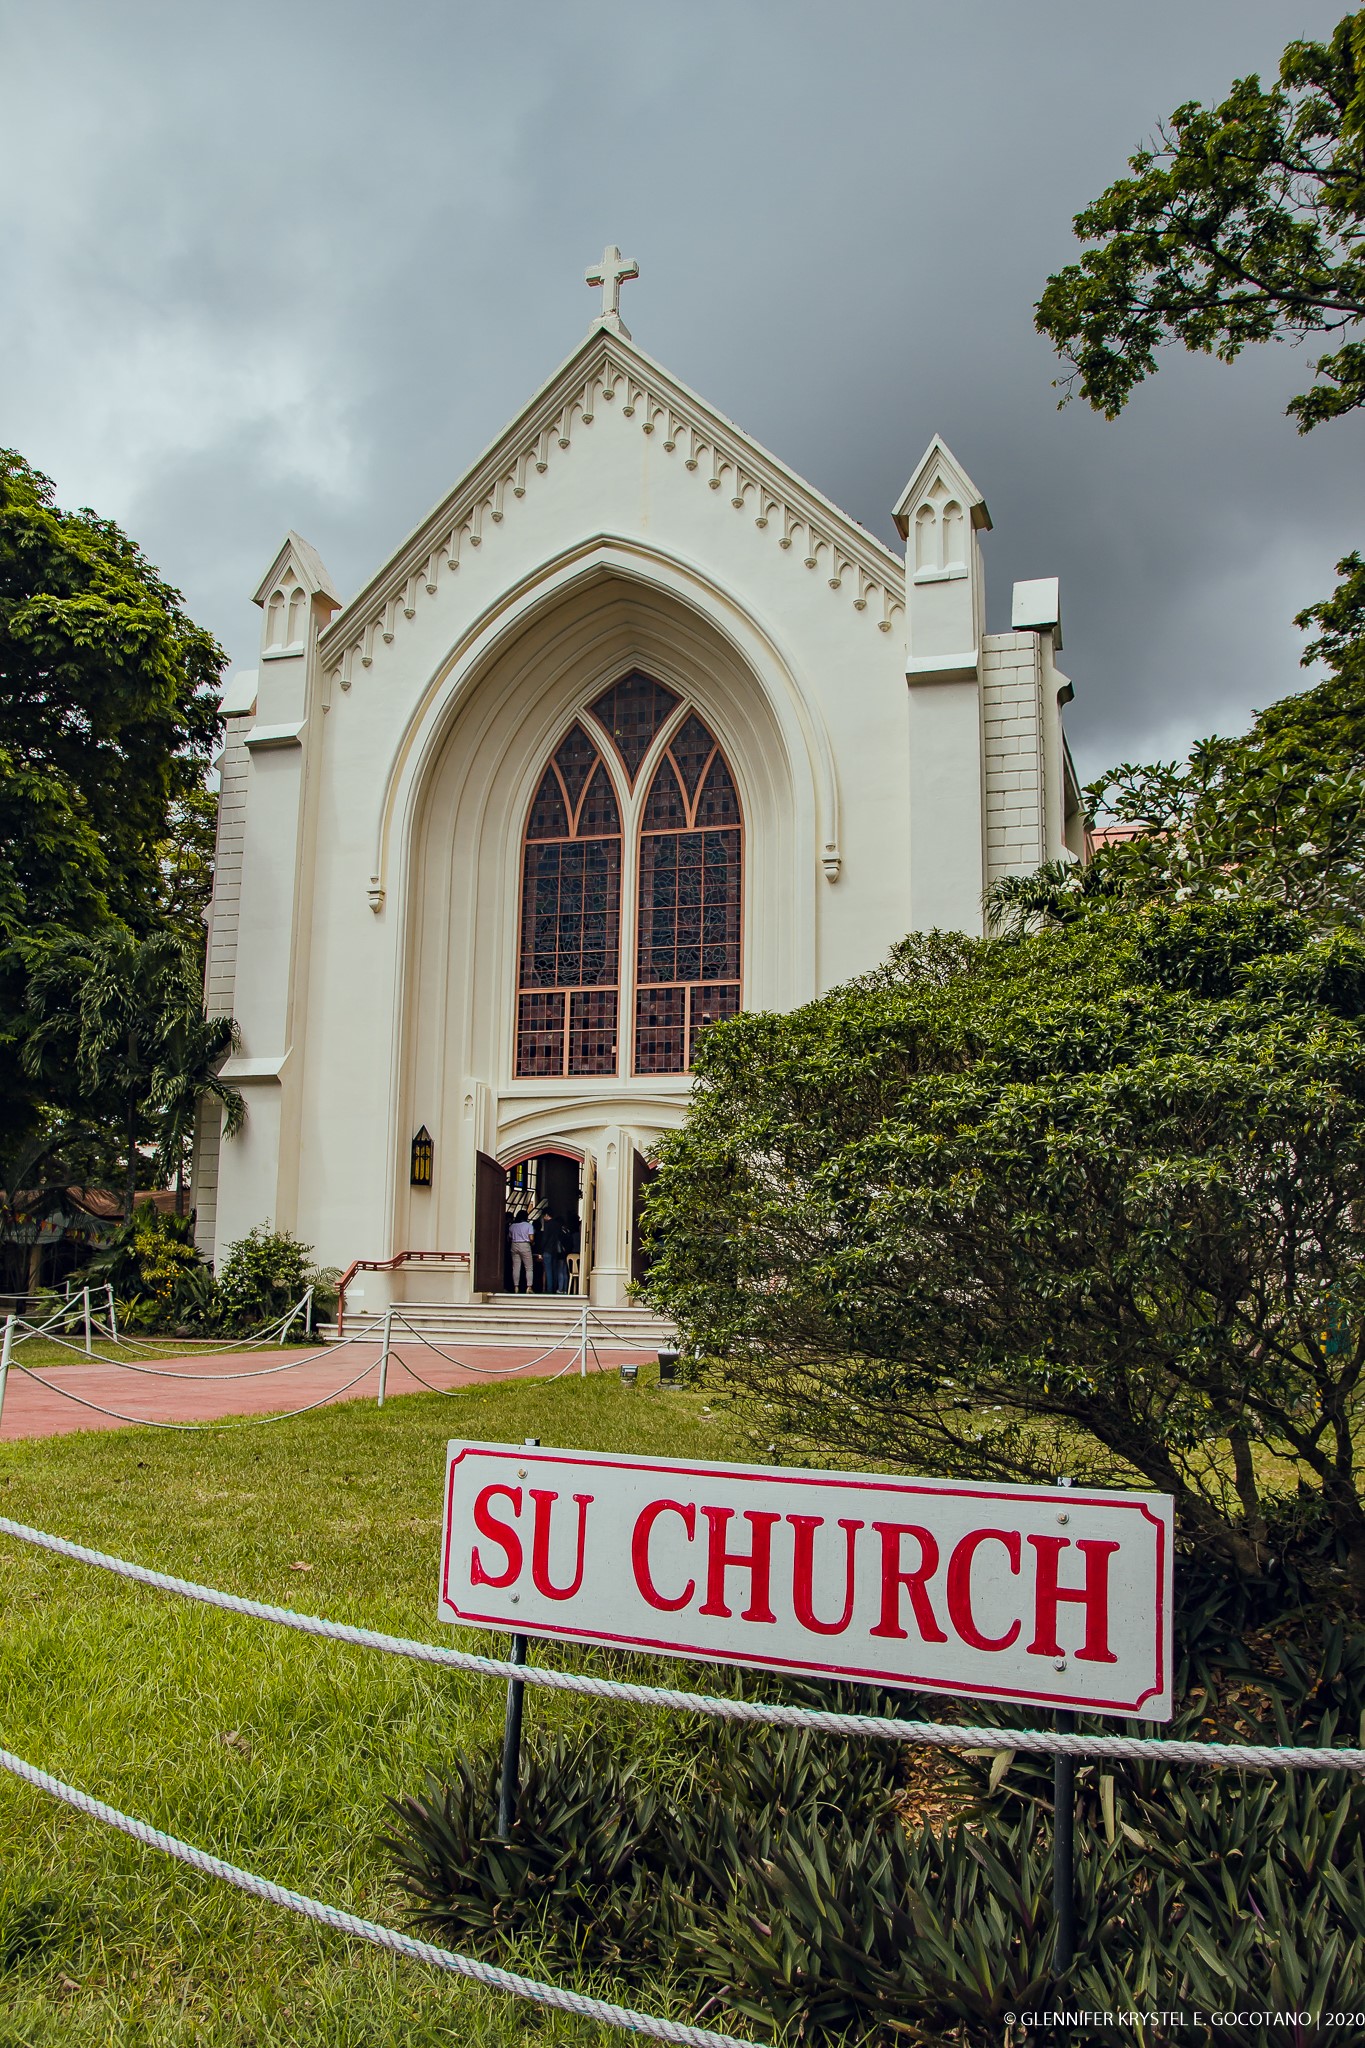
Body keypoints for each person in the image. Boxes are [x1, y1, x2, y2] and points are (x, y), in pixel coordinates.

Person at [541, 1211, 568, 1294]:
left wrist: (541, 1249)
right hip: (556, 1250)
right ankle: (556, 1287)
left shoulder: (547, 1224)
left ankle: (549, 1289)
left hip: (547, 1249)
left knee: (548, 1270)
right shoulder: (557, 1225)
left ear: (546, 1215)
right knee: (555, 1269)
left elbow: (545, 1238)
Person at [508, 1211, 535, 1293]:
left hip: (514, 1245)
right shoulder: (528, 1225)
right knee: (529, 1267)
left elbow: (509, 1237)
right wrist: (533, 1243)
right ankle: (529, 1287)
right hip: (525, 1245)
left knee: (516, 1267)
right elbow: (531, 1238)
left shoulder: (512, 1226)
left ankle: (516, 1286)